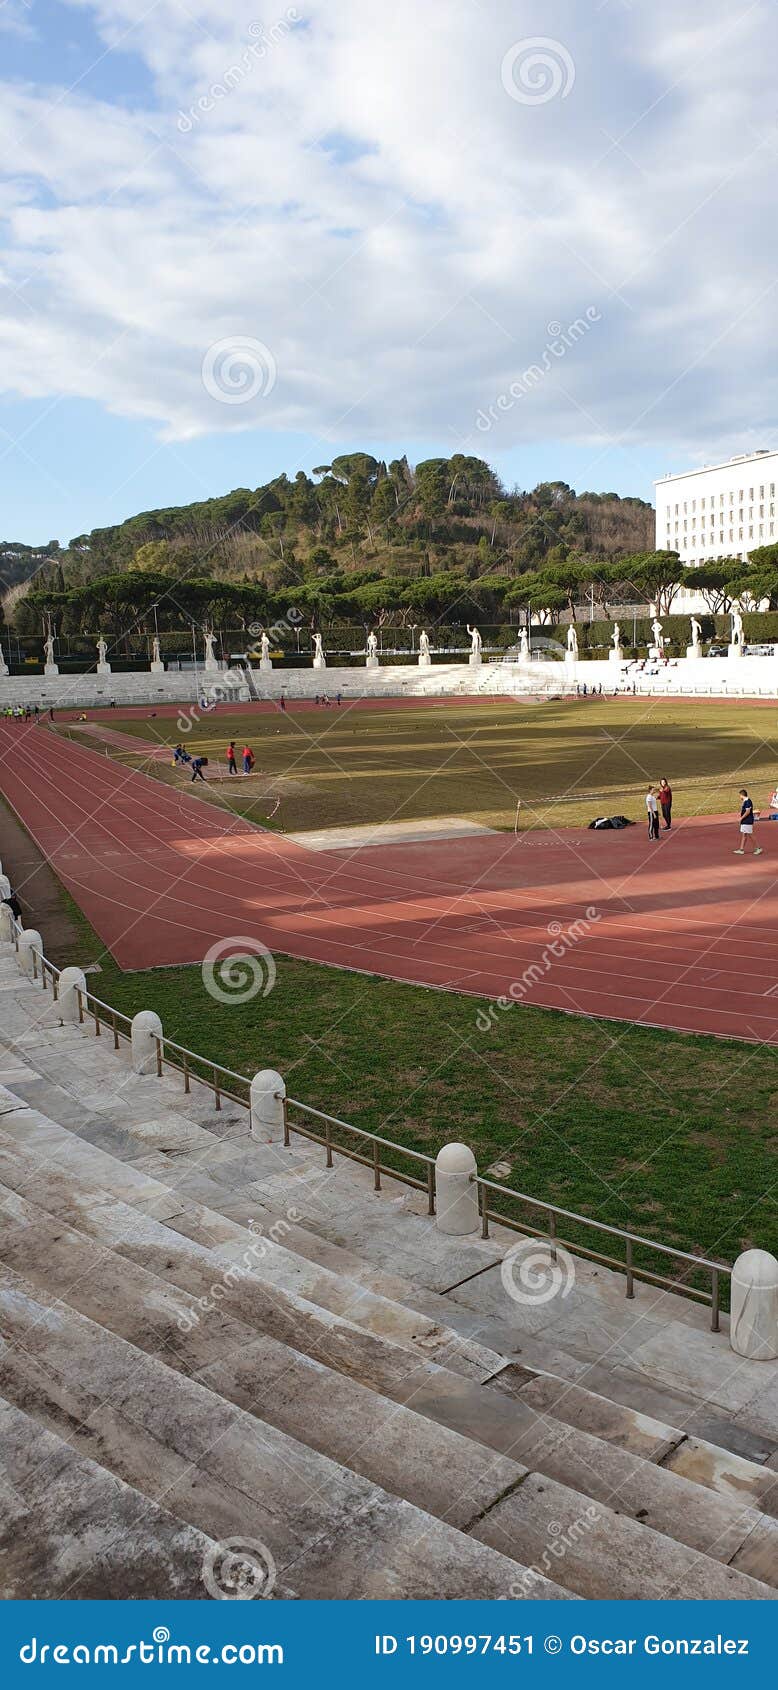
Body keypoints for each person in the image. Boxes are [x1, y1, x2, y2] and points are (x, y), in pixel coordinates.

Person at [735, 788, 762, 855]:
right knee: (744, 835)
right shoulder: (746, 801)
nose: (739, 797)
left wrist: (741, 818)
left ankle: (758, 848)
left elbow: (748, 812)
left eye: (740, 795)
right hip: (745, 821)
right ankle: (741, 849)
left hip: (747, 820)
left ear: (742, 795)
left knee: (750, 834)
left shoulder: (747, 802)